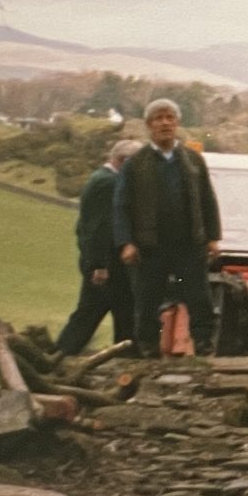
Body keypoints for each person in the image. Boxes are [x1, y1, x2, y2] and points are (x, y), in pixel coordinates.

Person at [114, 99, 222, 356]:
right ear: (149, 125)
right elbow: (121, 206)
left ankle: (204, 346)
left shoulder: (193, 160)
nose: (165, 123)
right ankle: (148, 349)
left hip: (188, 245)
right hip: (151, 247)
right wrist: (126, 242)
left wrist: (213, 237)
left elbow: (208, 199)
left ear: (177, 123)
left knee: (198, 297)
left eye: (170, 117)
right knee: (148, 300)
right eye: (159, 118)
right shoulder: (135, 164)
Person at [56, 139, 143, 356]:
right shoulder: (109, 184)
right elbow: (101, 228)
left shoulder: (101, 179)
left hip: (108, 263)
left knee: (114, 312)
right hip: (108, 265)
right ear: (125, 161)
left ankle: (60, 355)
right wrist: (99, 265)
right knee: (95, 314)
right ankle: (60, 355)